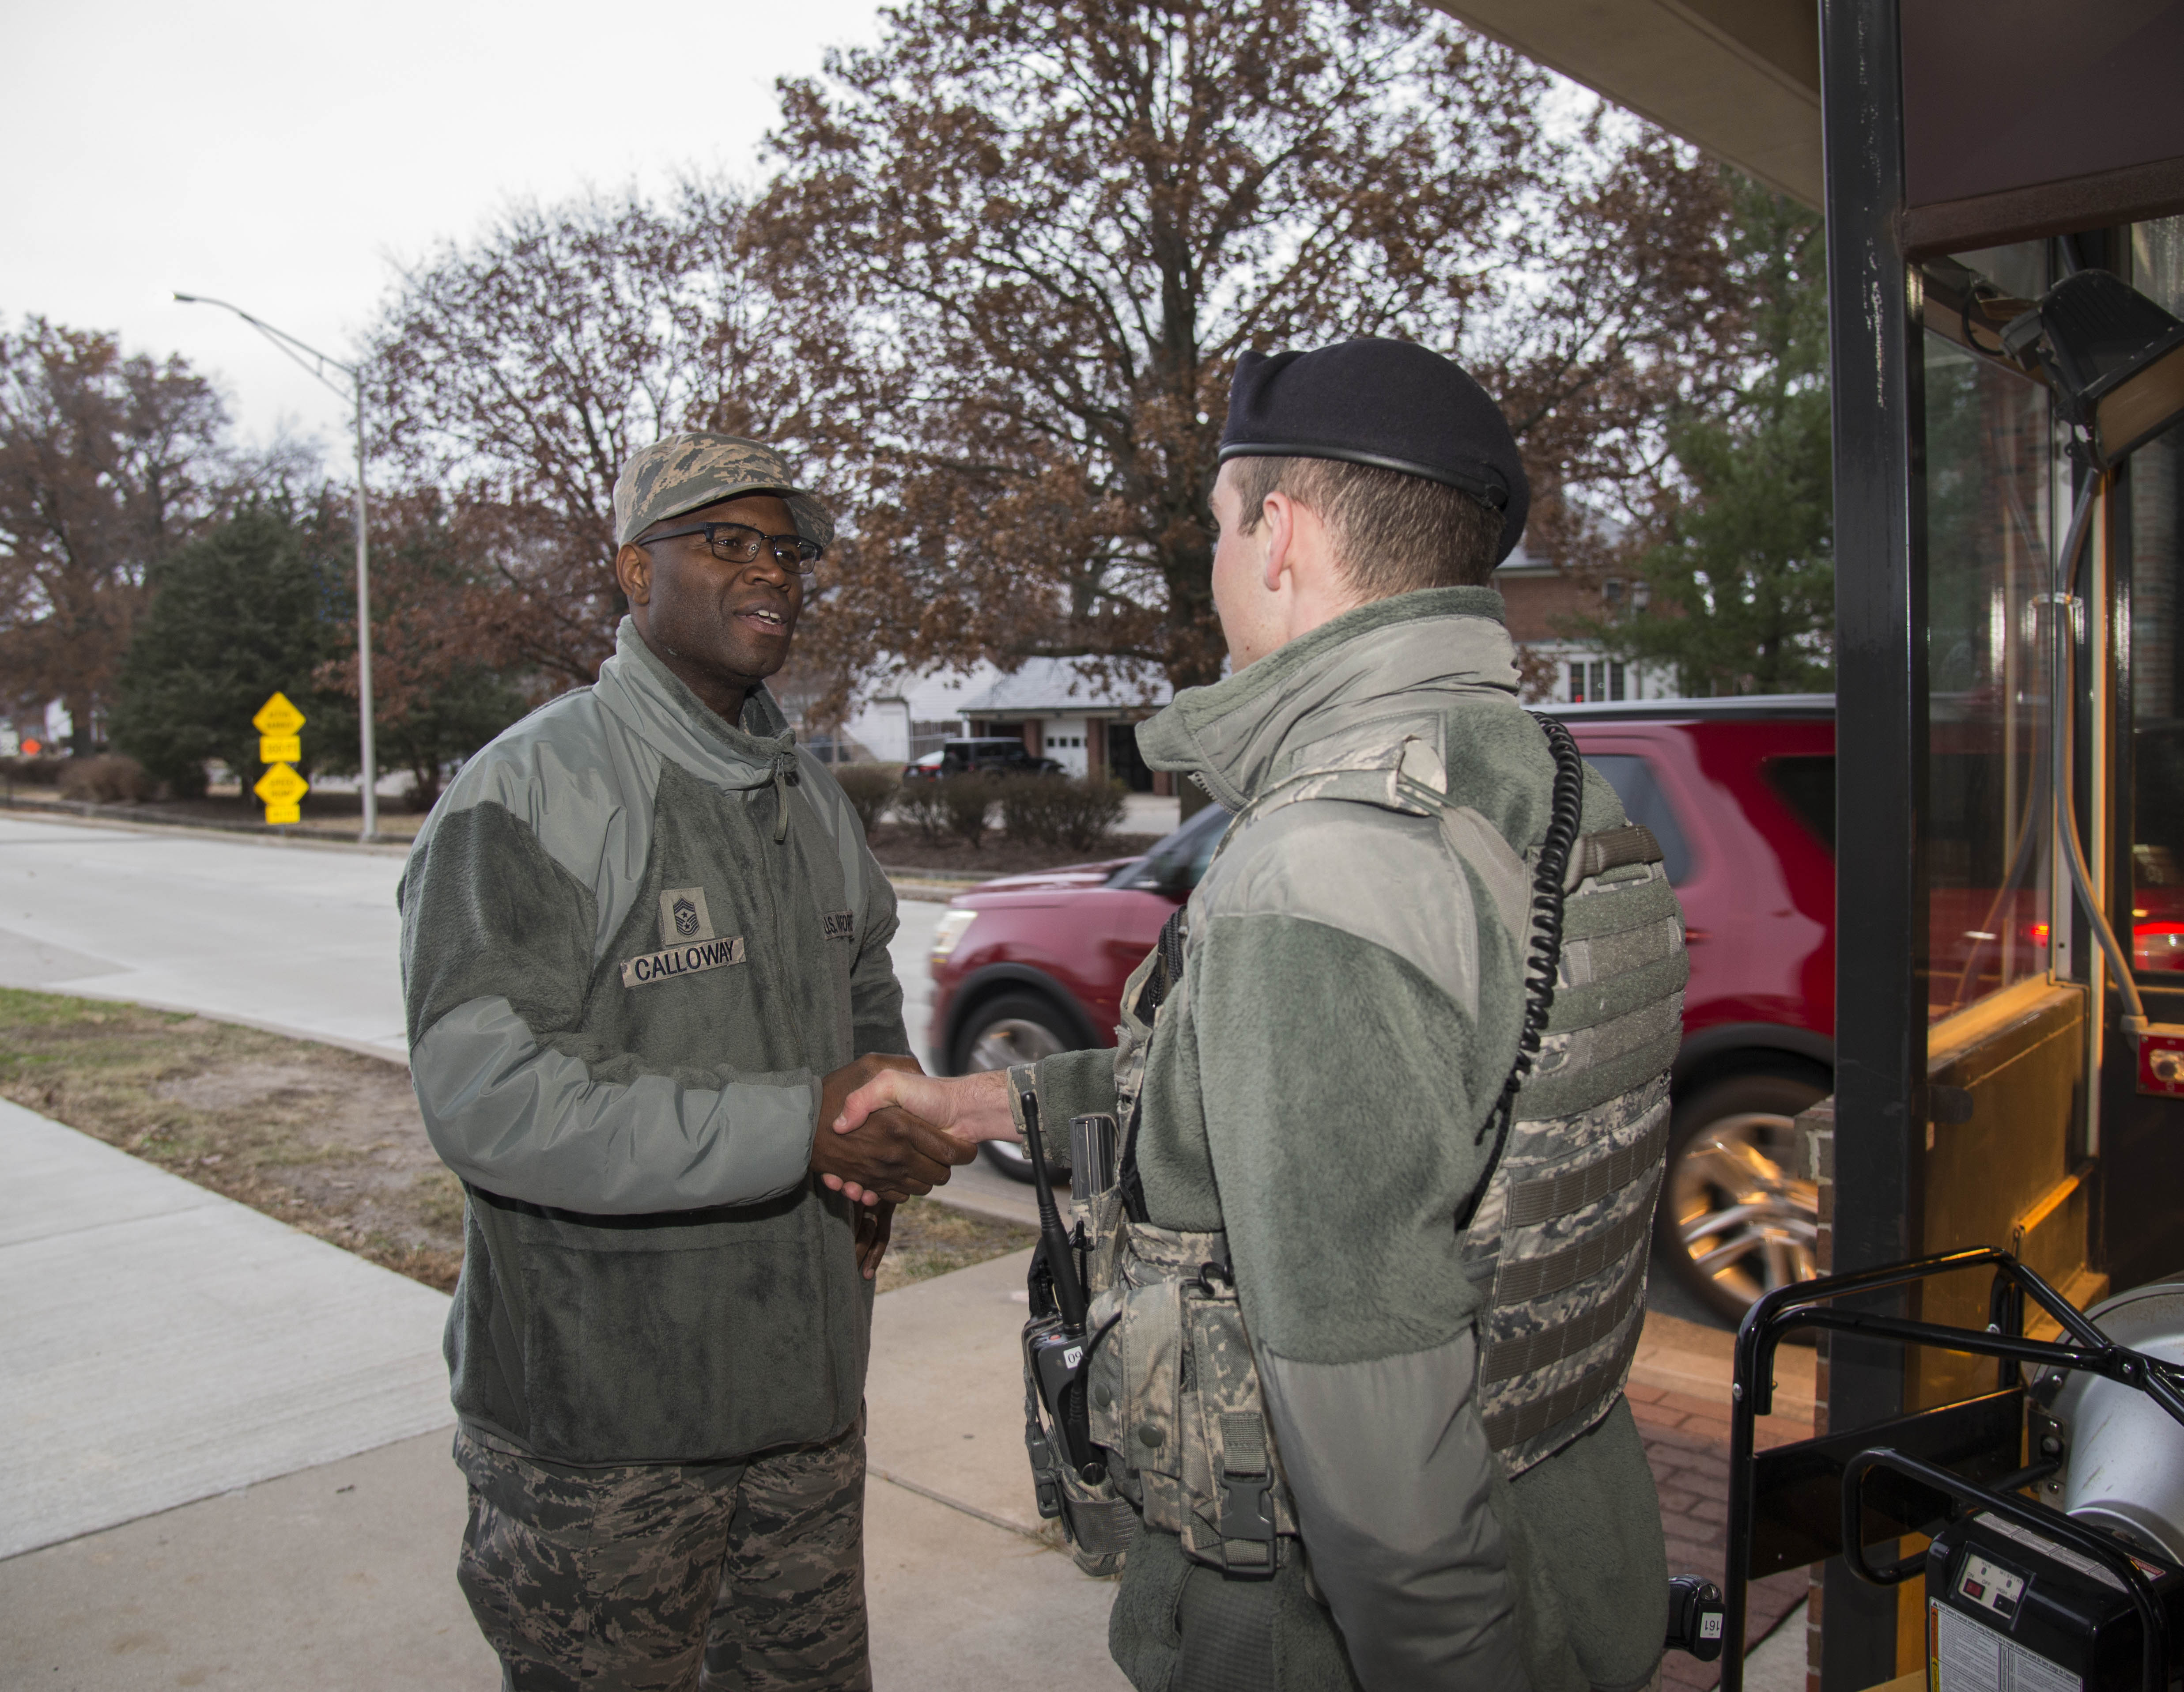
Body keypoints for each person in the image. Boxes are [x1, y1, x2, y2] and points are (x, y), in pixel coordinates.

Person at [832, 341, 1687, 1691]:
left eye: (1218, 528)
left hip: (1323, 1628)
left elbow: (1370, 1397)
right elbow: (1300, 1091)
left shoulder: (1325, 860)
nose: (1214, 563)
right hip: (1566, 1535)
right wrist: (986, 1105)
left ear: (1276, 534)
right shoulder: (1536, 780)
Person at [397, 431, 974, 1691]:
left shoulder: (804, 793)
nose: (771, 570)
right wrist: (797, 1128)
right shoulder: (530, 793)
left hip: (804, 1410)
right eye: (724, 540)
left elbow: (863, 974)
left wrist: (880, 1120)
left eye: (785, 548)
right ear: (630, 570)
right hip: (602, 1440)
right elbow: (488, 1099)